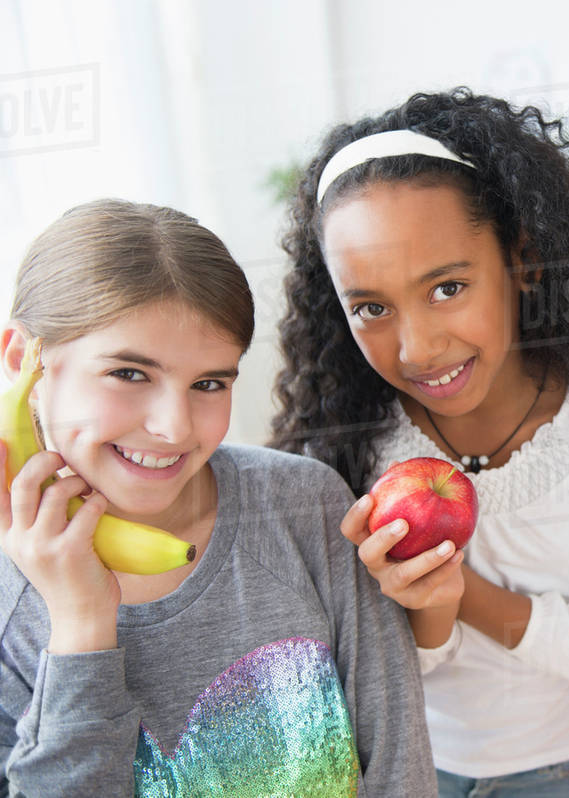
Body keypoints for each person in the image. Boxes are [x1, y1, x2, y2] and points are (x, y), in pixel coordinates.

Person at [269, 88, 569, 796]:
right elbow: (375, 671)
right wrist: (423, 610)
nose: (419, 346)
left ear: (521, 260)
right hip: (405, 761)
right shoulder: (350, 450)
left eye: (447, 288)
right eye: (371, 307)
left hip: (567, 769)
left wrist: (461, 592)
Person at [0, 199, 435, 796]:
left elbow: (397, 763)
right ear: (25, 361)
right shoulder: (8, 602)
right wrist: (79, 628)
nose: (175, 428)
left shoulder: (302, 503)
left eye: (208, 384)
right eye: (129, 374)